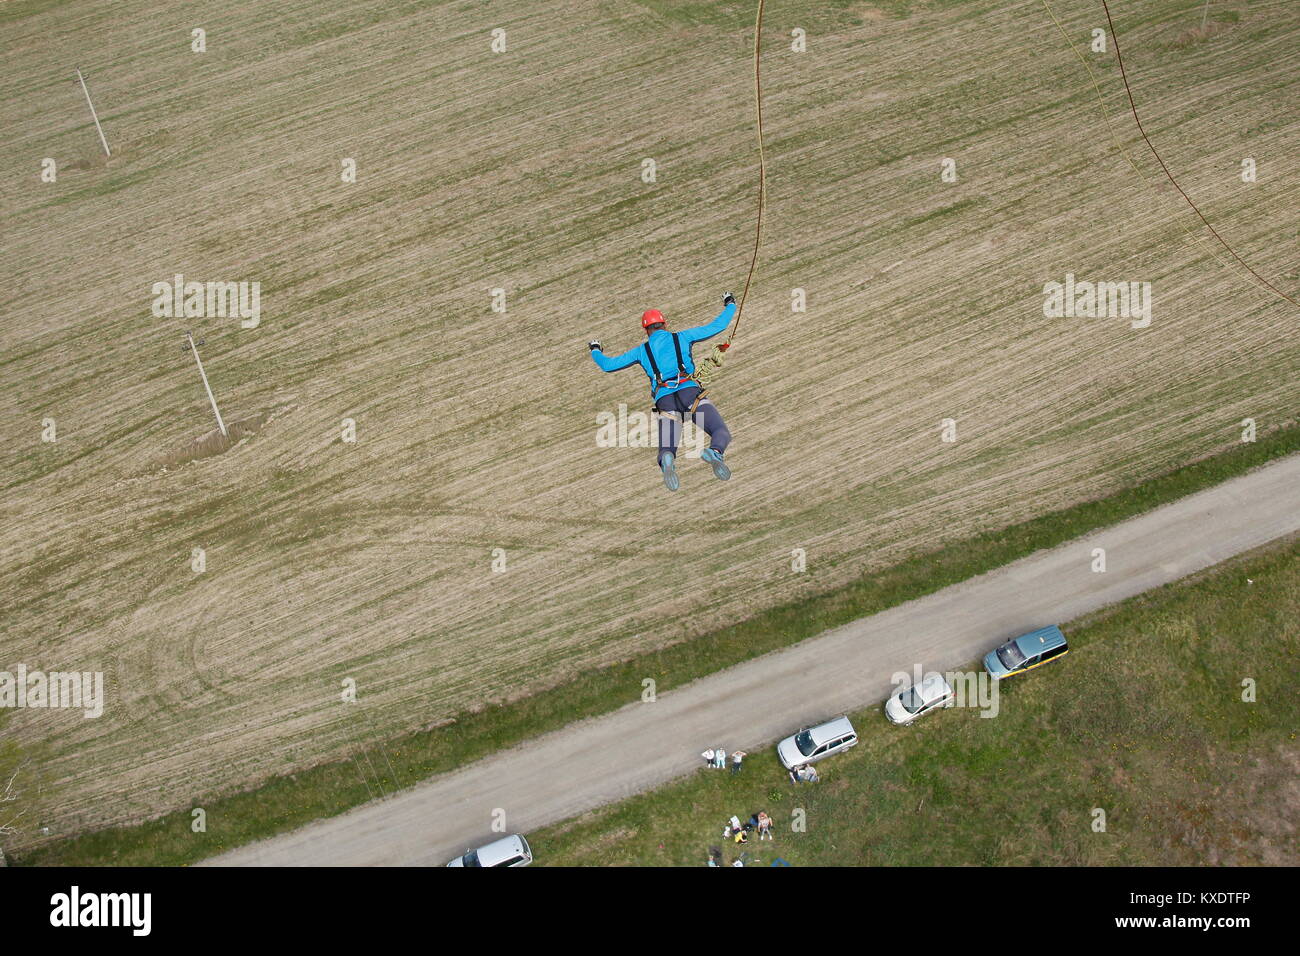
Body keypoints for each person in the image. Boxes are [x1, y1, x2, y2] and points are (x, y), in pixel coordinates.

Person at [588, 293, 737, 491]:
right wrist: (730, 304)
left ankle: (667, 459)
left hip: (664, 401)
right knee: (720, 432)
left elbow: (608, 365)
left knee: (668, 447)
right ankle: (715, 451)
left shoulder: (642, 351)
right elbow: (717, 326)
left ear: (646, 330)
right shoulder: (682, 337)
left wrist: (595, 349)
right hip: (690, 394)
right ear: (664, 324)